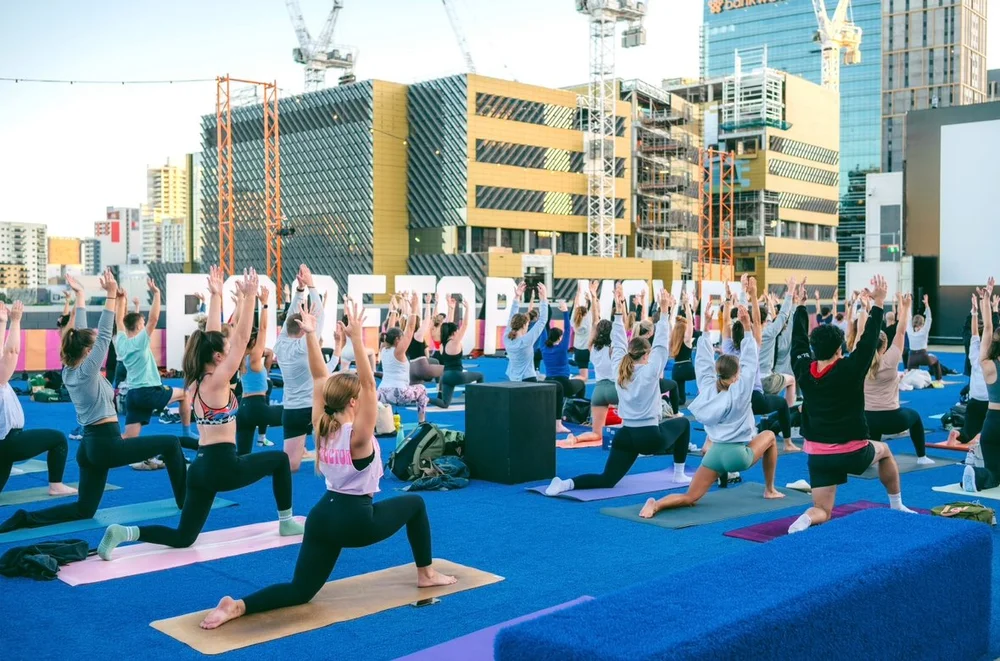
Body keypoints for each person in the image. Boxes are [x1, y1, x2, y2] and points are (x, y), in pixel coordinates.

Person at [197, 296, 456, 630]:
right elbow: (368, 383)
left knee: (300, 590)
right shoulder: (358, 437)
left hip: (321, 517)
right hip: (356, 521)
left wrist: (310, 334)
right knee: (416, 504)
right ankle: (426, 573)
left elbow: (320, 377)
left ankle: (239, 606)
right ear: (354, 403)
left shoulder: (322, 427)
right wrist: (356, 338)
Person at [97, 269, 304, 559]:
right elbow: (242, 338)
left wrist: (216, 296)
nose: (231, 351)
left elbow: (211, 337)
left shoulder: (195, 380)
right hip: (223, 466)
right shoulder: (217, 382)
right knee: (280, 460)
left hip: (200, 468)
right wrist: (249, 299)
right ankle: (287, 521)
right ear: (218, 357)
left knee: (183, 538)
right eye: (226, 351)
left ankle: (125, 532)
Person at [0, 271, 187, 533]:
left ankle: (25, 518)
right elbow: (103, 335)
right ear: (88, 352)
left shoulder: (69, 370)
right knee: (171, 443)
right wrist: (110, 295)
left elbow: (81, 333)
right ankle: (186, 502)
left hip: (90, 448)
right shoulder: (87, 371)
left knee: (84, 510)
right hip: (106, 445)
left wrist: (81, 296)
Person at [787, 274, 915, 534]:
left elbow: (798, 339)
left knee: (823, 510)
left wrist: (799, 304)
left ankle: (807, 519)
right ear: (839, 349)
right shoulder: (849, 369)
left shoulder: (803, 368)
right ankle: (897, 505)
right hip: (853, 452)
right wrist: (878, 302)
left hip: (818, 455)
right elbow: (869, 342)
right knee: (885, 451)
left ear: (815, 349)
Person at [544, 288, 692, 496]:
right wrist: (665, 310)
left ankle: (565, 484)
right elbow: (660, 345)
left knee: (607, 479)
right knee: (683, 423)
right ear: (646, 355)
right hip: (650, 437)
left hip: (625, 435)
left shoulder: (619, 370)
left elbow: (620, 342)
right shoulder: (650, 371)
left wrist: (618, 311)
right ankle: (678, 474)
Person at [639, 305, 783, 518]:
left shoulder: (708, 389)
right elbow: (751, 360)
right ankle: (769, 489)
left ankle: (656, 504)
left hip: (714, 455)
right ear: (736, 375)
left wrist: (705, 328)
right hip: (738, 456)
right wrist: (747, 327)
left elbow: (703, 362)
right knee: (769, 436)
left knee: (689, 497)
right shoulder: (740, 392)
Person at [0, 302, 76, 496]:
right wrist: (15, 321)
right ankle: (56, 486)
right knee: (58, 439)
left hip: (5, 445)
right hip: (8, 443)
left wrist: (2, 321)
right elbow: (10, 352)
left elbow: (2, 352)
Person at [115, 277, 196, 444]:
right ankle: (187, 433)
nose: (145, 324)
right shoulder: (140, 341)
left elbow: (119, 321)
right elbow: (153, 319)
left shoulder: (121, 342)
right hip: (148, 392)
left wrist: (121, 300)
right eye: (142, 323)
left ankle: (106, 446)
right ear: (139, 327)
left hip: (133, 395)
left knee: (129, 436)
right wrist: (157, 294)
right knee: (185, 394)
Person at [722, 277, 799, 453]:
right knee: (782, 404)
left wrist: (728, 299)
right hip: (755, 398)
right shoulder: (752, 349)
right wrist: (754, 295)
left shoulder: (727, 348)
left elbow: (726, 322)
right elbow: (756, 322)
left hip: (733, 400)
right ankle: (788, 443)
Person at [863, 293, 932, 463]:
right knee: (915, 417)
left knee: (874, 428)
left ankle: (872, 457)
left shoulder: (860, 361)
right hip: (891, 419)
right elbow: (901, 331)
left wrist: (865, 308)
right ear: (885, 345)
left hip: (866, 419)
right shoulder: (890, 359)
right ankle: (922, 457)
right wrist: (906, 307)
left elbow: (861, 332)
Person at [274, 264, 325, 472]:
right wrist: (311, 285)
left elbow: (290, 317)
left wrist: (300, 290)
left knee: (291, 465)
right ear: (305, 329)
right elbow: (320, 315)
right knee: (330, 456)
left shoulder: (280, 344)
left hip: (292, 410)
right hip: (315, 408)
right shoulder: (306, 344)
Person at [505, 283, 570, 434]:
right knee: (558, 387)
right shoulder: (526, 340)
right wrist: (544, 298)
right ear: (524, 326)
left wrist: (517, 297)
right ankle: (557, 424)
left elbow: (510, 318)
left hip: (513, 380)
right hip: (528, 381)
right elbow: (542, 321)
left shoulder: (507, 338)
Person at [961, 281, 1000, 492]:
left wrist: (986, 301)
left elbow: (988, 331)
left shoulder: (987, 364)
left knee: (993, 474)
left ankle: (977, 476)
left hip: (991, 423)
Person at [235, 287, 283, 455]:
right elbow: (263, 328)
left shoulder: (239, 355)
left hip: (243, 409)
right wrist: (264, 304)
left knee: (243, 455)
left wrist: (241, 300)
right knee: (295, 415)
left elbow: (238, 326)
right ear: (254, 341)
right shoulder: (255, 358)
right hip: (257, 407)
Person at [565, 302, 618, 445]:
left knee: (596, 433)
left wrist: (594, 300)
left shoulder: (592, 348)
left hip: (598, 391)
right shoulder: (614, 348)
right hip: (614, 389)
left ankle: (575, 438)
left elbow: (595, 324)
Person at [377, 292, 431, 424]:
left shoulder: (383, 349)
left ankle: (381, 424)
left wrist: (394, 311)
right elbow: (410, 329)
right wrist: (414, 309)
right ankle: (422, 421)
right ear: (397, 340)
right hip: (400, 393)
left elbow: (389, 331)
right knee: (422, 389)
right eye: (401, 338)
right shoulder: (399, 352)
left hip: (382, 393)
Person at [948, 293, 990, 446]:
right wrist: (990, 306)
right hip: (990, 402)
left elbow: (974, 333)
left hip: (974, 400)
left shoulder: (973, 354)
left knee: (968, 432)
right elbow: (989, 328)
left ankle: (958, 434)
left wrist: (974, 312)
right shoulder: (992, 357)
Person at [437, 298, 483, 408]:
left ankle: (427, 399)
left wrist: (451, 309)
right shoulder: (455, 342)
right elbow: (465, 325)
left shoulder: (442, 344)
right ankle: (480, 400)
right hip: (457, 376)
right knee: (480, 376)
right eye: (457, 330)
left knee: (445, 404)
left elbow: (447, 326)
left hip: (445, 377)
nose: (458, 331)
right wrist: (467, 309)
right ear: (454, 332)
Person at [541, 301, 587, 404]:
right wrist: (565, 312)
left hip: (548, 382)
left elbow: (542, 328)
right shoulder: (561, 348)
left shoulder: (544, 348)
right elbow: (567, 329)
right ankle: (576, 408)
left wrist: (543, 310)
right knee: (582, 384)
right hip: (563, 383)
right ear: (559, 338)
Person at [408, 295, 444, 385]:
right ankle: (439, 388)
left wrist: (413, 308)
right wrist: (427, 303)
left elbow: (408, 318)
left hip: (411, 369)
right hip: (422, 368)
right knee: (448, 369)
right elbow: (427, 319)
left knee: (435, 362)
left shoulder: (405, 336)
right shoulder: (418, 335)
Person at [906, 295, 943, 381]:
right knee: (936, 361)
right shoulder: (924, 331)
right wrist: (926, 304)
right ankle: (939, 380)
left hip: (911, 358)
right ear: (922, 324)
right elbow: (929, 318)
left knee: (911, 375)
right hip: (923, 356)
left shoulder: (909, 330)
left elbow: (908, 317)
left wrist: (908, 304)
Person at [669, 294, 697, 409]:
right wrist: (686, 304)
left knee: (681, 400)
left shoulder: (672, 339)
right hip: (687, 369)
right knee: (705, 374)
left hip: (676, 371)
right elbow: (690, 321)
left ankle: (675, 400)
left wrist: (673, 308)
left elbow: (669, 323)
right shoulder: (686, 340)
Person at [571, 281, 598, 381]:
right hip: (587, 351)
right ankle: (571, 380)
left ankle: (574, 382)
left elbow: (576, 305)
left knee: (584, 376)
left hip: (578, 350)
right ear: (586, 313)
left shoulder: (574, 321)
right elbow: (593, 310)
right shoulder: (587, 322)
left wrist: (578, 293)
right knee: (585, 377)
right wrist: (592, 295)